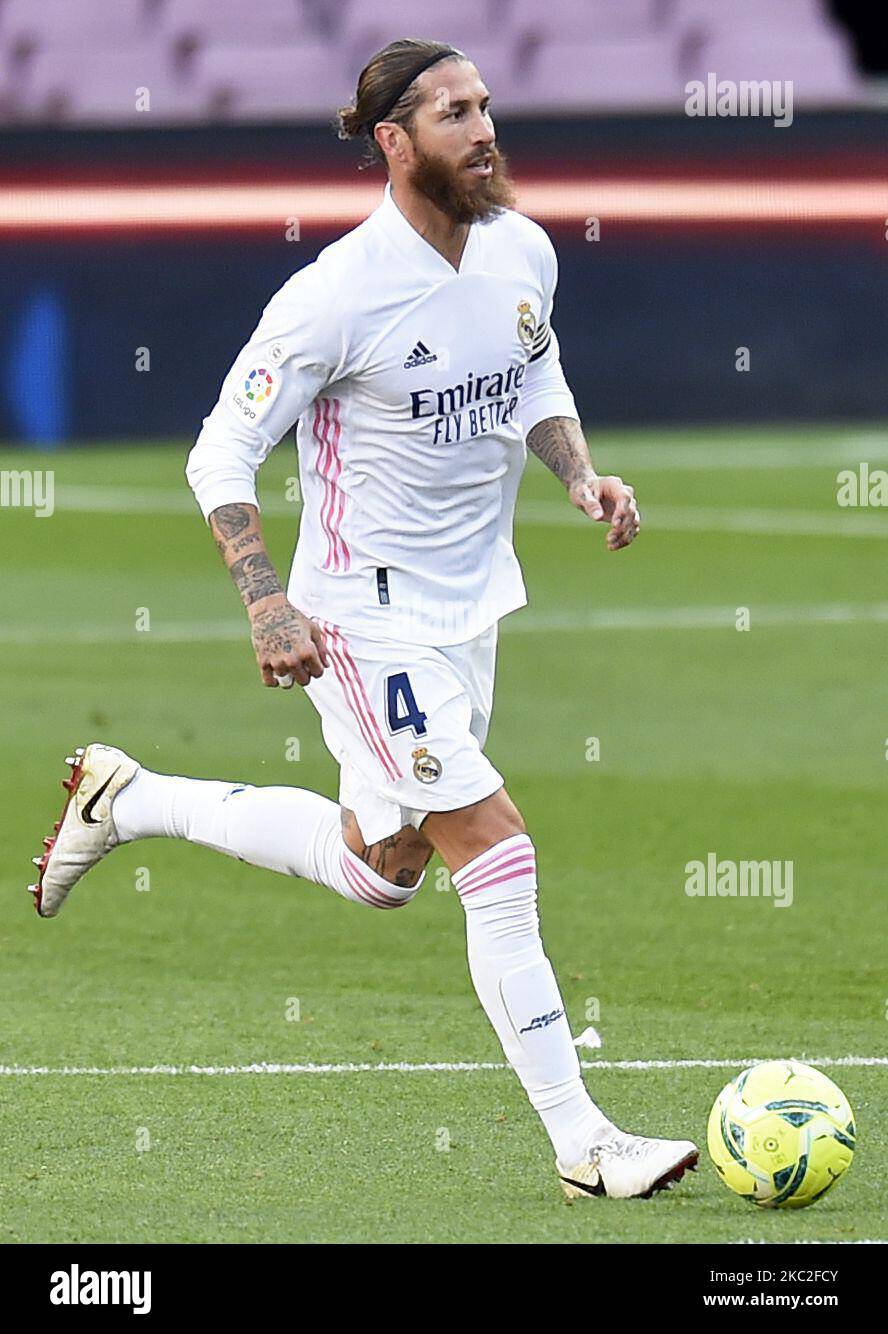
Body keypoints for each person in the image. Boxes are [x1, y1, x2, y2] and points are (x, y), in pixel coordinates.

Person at [29, 39, 697, 1201]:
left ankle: (124, 795)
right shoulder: (335, 295)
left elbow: (535, 373)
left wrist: (580, 476)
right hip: (362, 620)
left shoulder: (523, 248)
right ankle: (584, 1139)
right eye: (454, 113)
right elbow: (220, 448)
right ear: (394, 141)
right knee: (496, 847)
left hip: (471, 607)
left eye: (487, 106)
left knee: (382, 867)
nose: (484, 130)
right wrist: (266, 597)